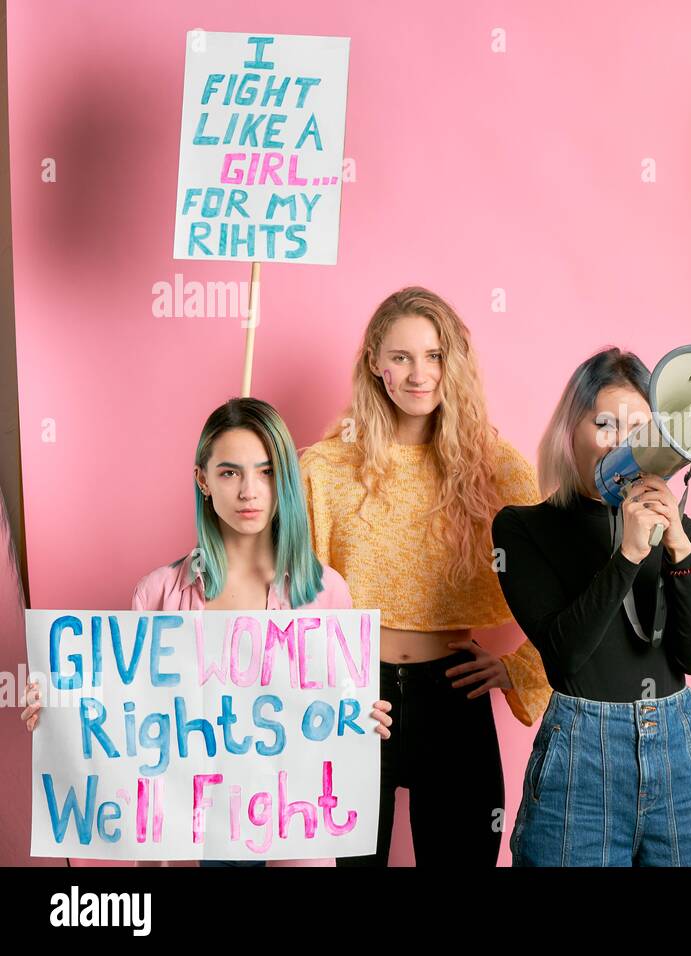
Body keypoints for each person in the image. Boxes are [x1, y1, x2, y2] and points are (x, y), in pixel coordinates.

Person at [20, 397, 392, 867]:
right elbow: (127, 713)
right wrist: (59, 707)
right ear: (203, 480)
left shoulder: (324, 593)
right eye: (230, 473)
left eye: (266, 471)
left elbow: (335, 712)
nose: (249, 492)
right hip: (196, 832)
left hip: (293, 830)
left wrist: (364, 719)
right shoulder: (157, 594)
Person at [299, 286, 550, 866]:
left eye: (435, 356)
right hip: (355, 696)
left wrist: (519, 668)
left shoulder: (496, 468)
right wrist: (321, 694)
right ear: (375, 364)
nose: (420, 374)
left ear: (453, 363)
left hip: (454, 695)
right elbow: (286, 598)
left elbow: (560, 589)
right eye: (402, 356)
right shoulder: (325, 468)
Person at [492, 347, 691, 866]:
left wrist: (678, 549)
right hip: (582, 755)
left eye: (640, 428)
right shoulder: (522, 529)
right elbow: (564, 657)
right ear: (570, 431)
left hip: (679, 749)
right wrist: (627, 554)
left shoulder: (679, 530)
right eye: (605, 423)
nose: (622, 442)